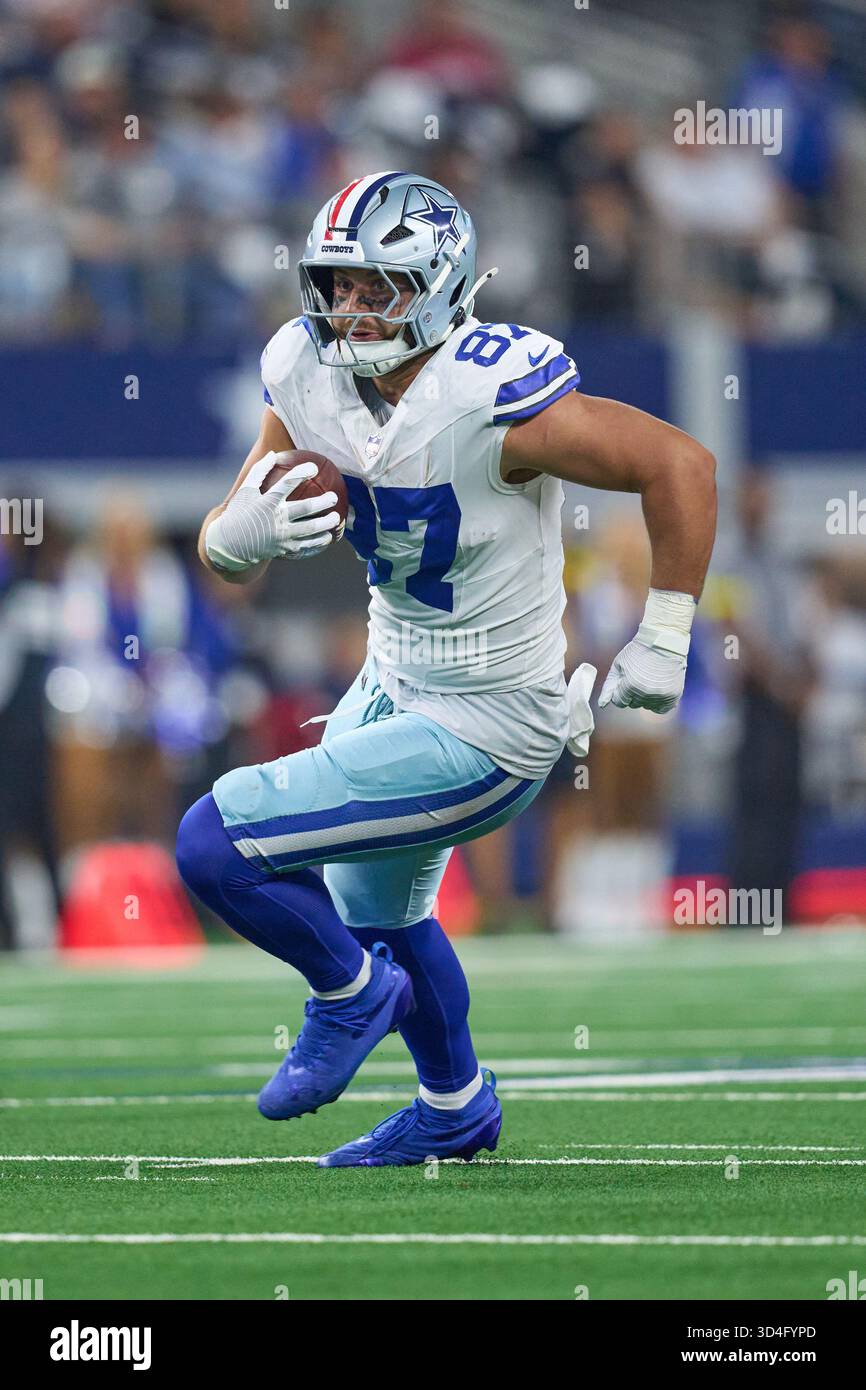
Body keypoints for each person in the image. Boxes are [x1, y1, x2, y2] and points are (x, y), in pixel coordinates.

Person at [175, 171, 716, 1166]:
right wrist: (230, 540)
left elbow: (677, 461)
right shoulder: (302, 368)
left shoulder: (489, 393)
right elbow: (226, 547)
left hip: (490, 718)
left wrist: (664, 632)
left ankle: (348, 995)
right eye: (335, 284)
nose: (346, 308)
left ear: (438, 282)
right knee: (382, 909)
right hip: (395, 673)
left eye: (374, 287)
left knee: (213, 844)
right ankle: (455, 1102)